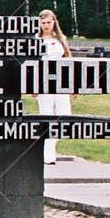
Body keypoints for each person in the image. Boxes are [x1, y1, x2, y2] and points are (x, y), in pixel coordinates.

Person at [37, 9, 73, 165]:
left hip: (60, 82)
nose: (46, 25)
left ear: (54, 22)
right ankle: (48, 154)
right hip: (43, 82)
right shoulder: (35, 39)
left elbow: (68, 60)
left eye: (49, 22)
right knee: (46, 116)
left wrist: (72, 85)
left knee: (65, 116)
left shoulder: (61, 39)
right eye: (43, 23)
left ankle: (50, 146)